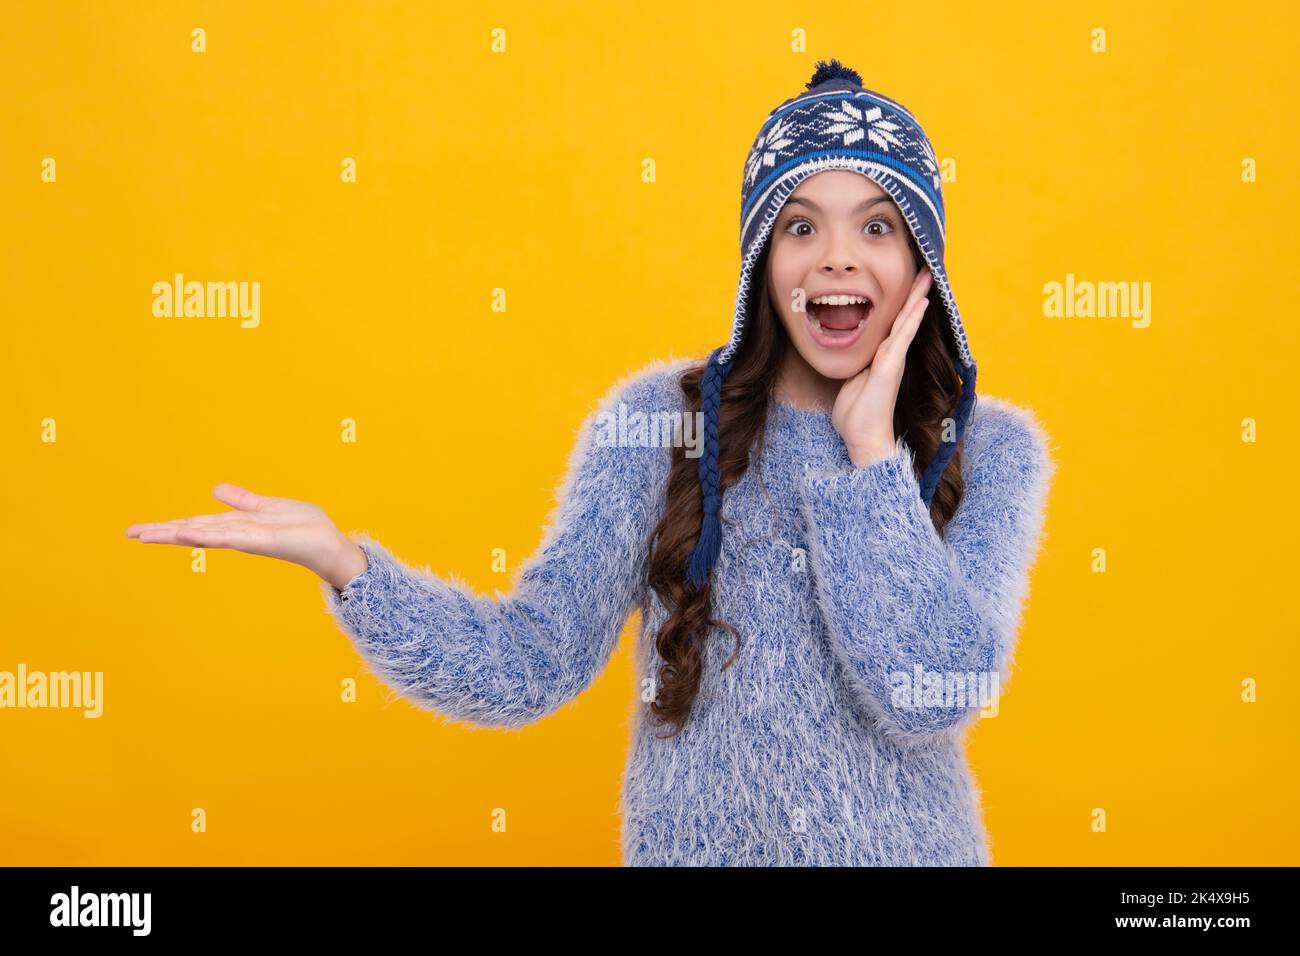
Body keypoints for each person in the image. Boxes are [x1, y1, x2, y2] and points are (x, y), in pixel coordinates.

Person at [125, 59, 1055, 866]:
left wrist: (866, 458)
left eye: (879, 226)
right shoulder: (658, 424)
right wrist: (350, 568)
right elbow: (532, 661)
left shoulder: (992, 450)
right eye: (800, 226)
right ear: (760, 260)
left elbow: (936, 693)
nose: (836, 259)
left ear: (924, 258)